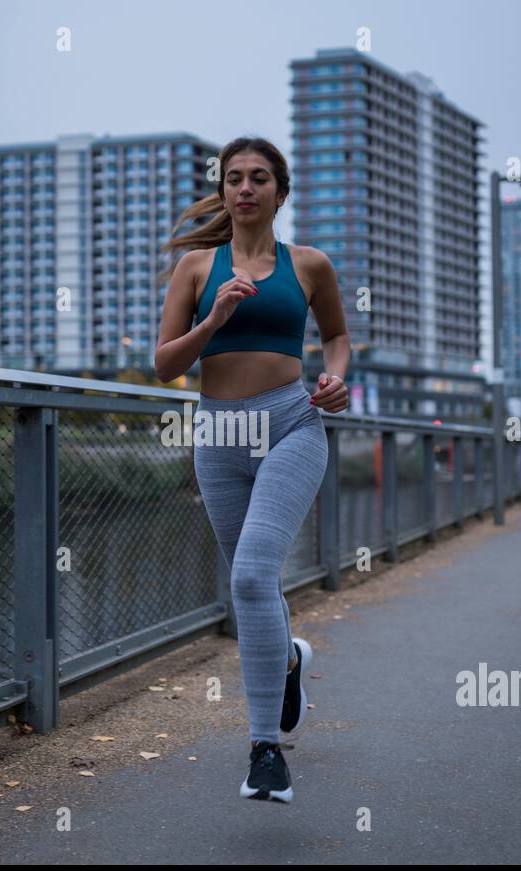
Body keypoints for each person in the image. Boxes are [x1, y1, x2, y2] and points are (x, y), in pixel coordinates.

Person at [154, 136, 351, 804]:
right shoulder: (194, 269)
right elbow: (165, 364)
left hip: (291, 425)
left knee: (250, 574)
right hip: (218, 435)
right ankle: (289, 660)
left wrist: (337, 378)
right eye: (233, 177)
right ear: (224, 190)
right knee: (253, 586)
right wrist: (215, 319)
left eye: (258, 177)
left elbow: (338, 337)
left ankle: (265, 749)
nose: (244, 187)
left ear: (279, 190)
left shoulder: (311, 265)